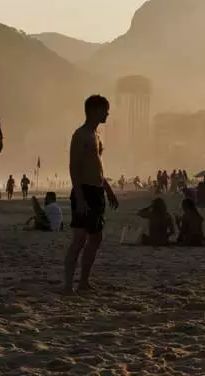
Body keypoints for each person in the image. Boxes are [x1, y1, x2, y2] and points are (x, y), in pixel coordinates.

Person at [63, 94, 120, 294]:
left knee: (96, 238)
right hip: (84, 190)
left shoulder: (96, 136)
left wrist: (109, 190)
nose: (108, 114)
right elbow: (74, 168)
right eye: (105, 110)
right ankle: (67, 285)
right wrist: (79, 198)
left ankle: (83, 282)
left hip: (96, 191)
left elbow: (98, 169)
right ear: (95, 110)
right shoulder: (81, 135)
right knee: (79, 239)